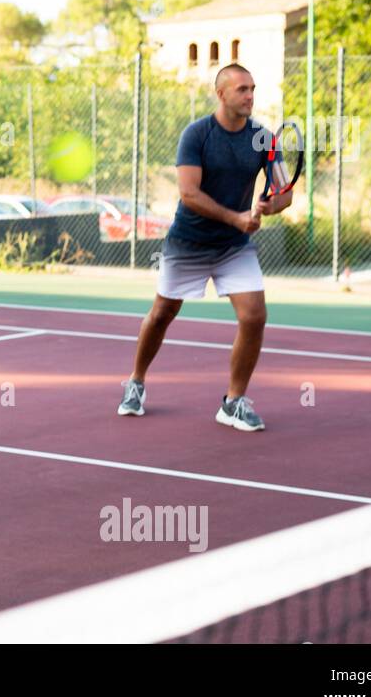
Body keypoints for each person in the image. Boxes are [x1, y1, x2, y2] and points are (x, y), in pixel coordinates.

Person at [118, 63, 292, 431]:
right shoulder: (196, 134)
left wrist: (267, 206)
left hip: (234, 246)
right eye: (242, 89)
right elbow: (188, 193)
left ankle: (233, 402)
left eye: (252, 88)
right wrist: (236, 217)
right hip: (189, 241)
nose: (249, 96)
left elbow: (284, 193)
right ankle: (135, 381)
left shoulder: (263, 137)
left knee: (254, 316)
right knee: (162, 313)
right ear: (222, 93)